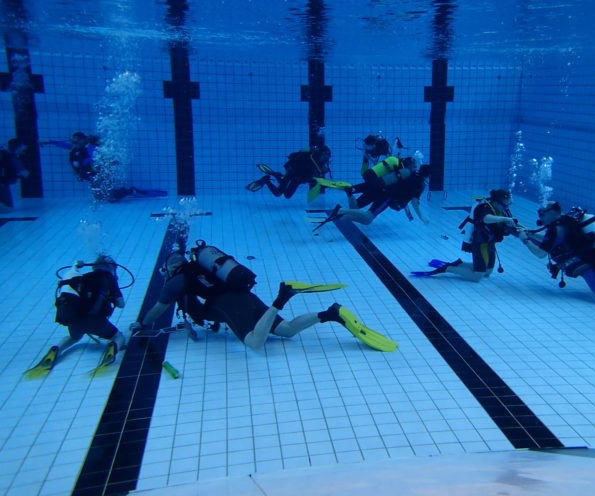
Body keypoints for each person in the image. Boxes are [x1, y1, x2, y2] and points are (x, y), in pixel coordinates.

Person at [131, 247, 360, 351]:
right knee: (287, 330)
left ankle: (282, 297)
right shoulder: (204, 268)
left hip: (227, 305)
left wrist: (141, 323)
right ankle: (330, 313)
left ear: (170, 268)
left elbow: (158, 310)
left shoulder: (177, 281)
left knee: (254, 343)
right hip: (246, 296)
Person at [28, 255, 128, 374]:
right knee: (119, 336)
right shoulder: (108, 278)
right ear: (112, 268)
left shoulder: (82, 278)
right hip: (97, 322)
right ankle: (112, 348)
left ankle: (56, 349)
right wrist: (111, 294)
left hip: (75, 321)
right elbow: (121, 304)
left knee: (74, 337)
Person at [412, 189, 521, 281]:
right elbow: (486, 218)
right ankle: (449, 268)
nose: (507, 208)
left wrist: (521, 228)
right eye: (506, 205)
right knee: (478, 276)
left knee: (487, 272)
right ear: (497, 202)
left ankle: (460, 264)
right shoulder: (484, 208)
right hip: (480, 243)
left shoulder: (501, 208)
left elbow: (511, 222)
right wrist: (505, 218)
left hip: (490, 243)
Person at [45, 132, 166, 202]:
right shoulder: (77, 148)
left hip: (103, 172)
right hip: (94, 175)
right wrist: (49, 142)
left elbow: (94, 158)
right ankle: (123, 191)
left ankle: (131, 190)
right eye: (74, 142)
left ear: (83, 140)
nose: (75, 143)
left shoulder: (90, 147)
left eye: (77, 141)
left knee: (111, 198)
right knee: (98, 196)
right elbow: (64, 145)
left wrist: (85, 163)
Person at [313, 157, 431, 229]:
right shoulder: (420, 184)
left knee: (363, 217)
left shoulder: (410, 173)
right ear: (427, 176)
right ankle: (340, 211)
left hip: (379, 189)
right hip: (387, 197)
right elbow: (414, 201)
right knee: (367, 217)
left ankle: (343, 213)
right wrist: (421, 217)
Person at [246, 143, 332, 200]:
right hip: (293, 175)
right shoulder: (310, 160)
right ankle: (266, 180)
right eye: (325, 155)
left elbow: (314, 175)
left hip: (297, 179)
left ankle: (276, 176)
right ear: (321, 154)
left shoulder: (320, 162)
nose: (326, 158)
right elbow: (302, 171)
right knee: (278, 193)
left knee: (286, 195)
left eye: (327, 156)